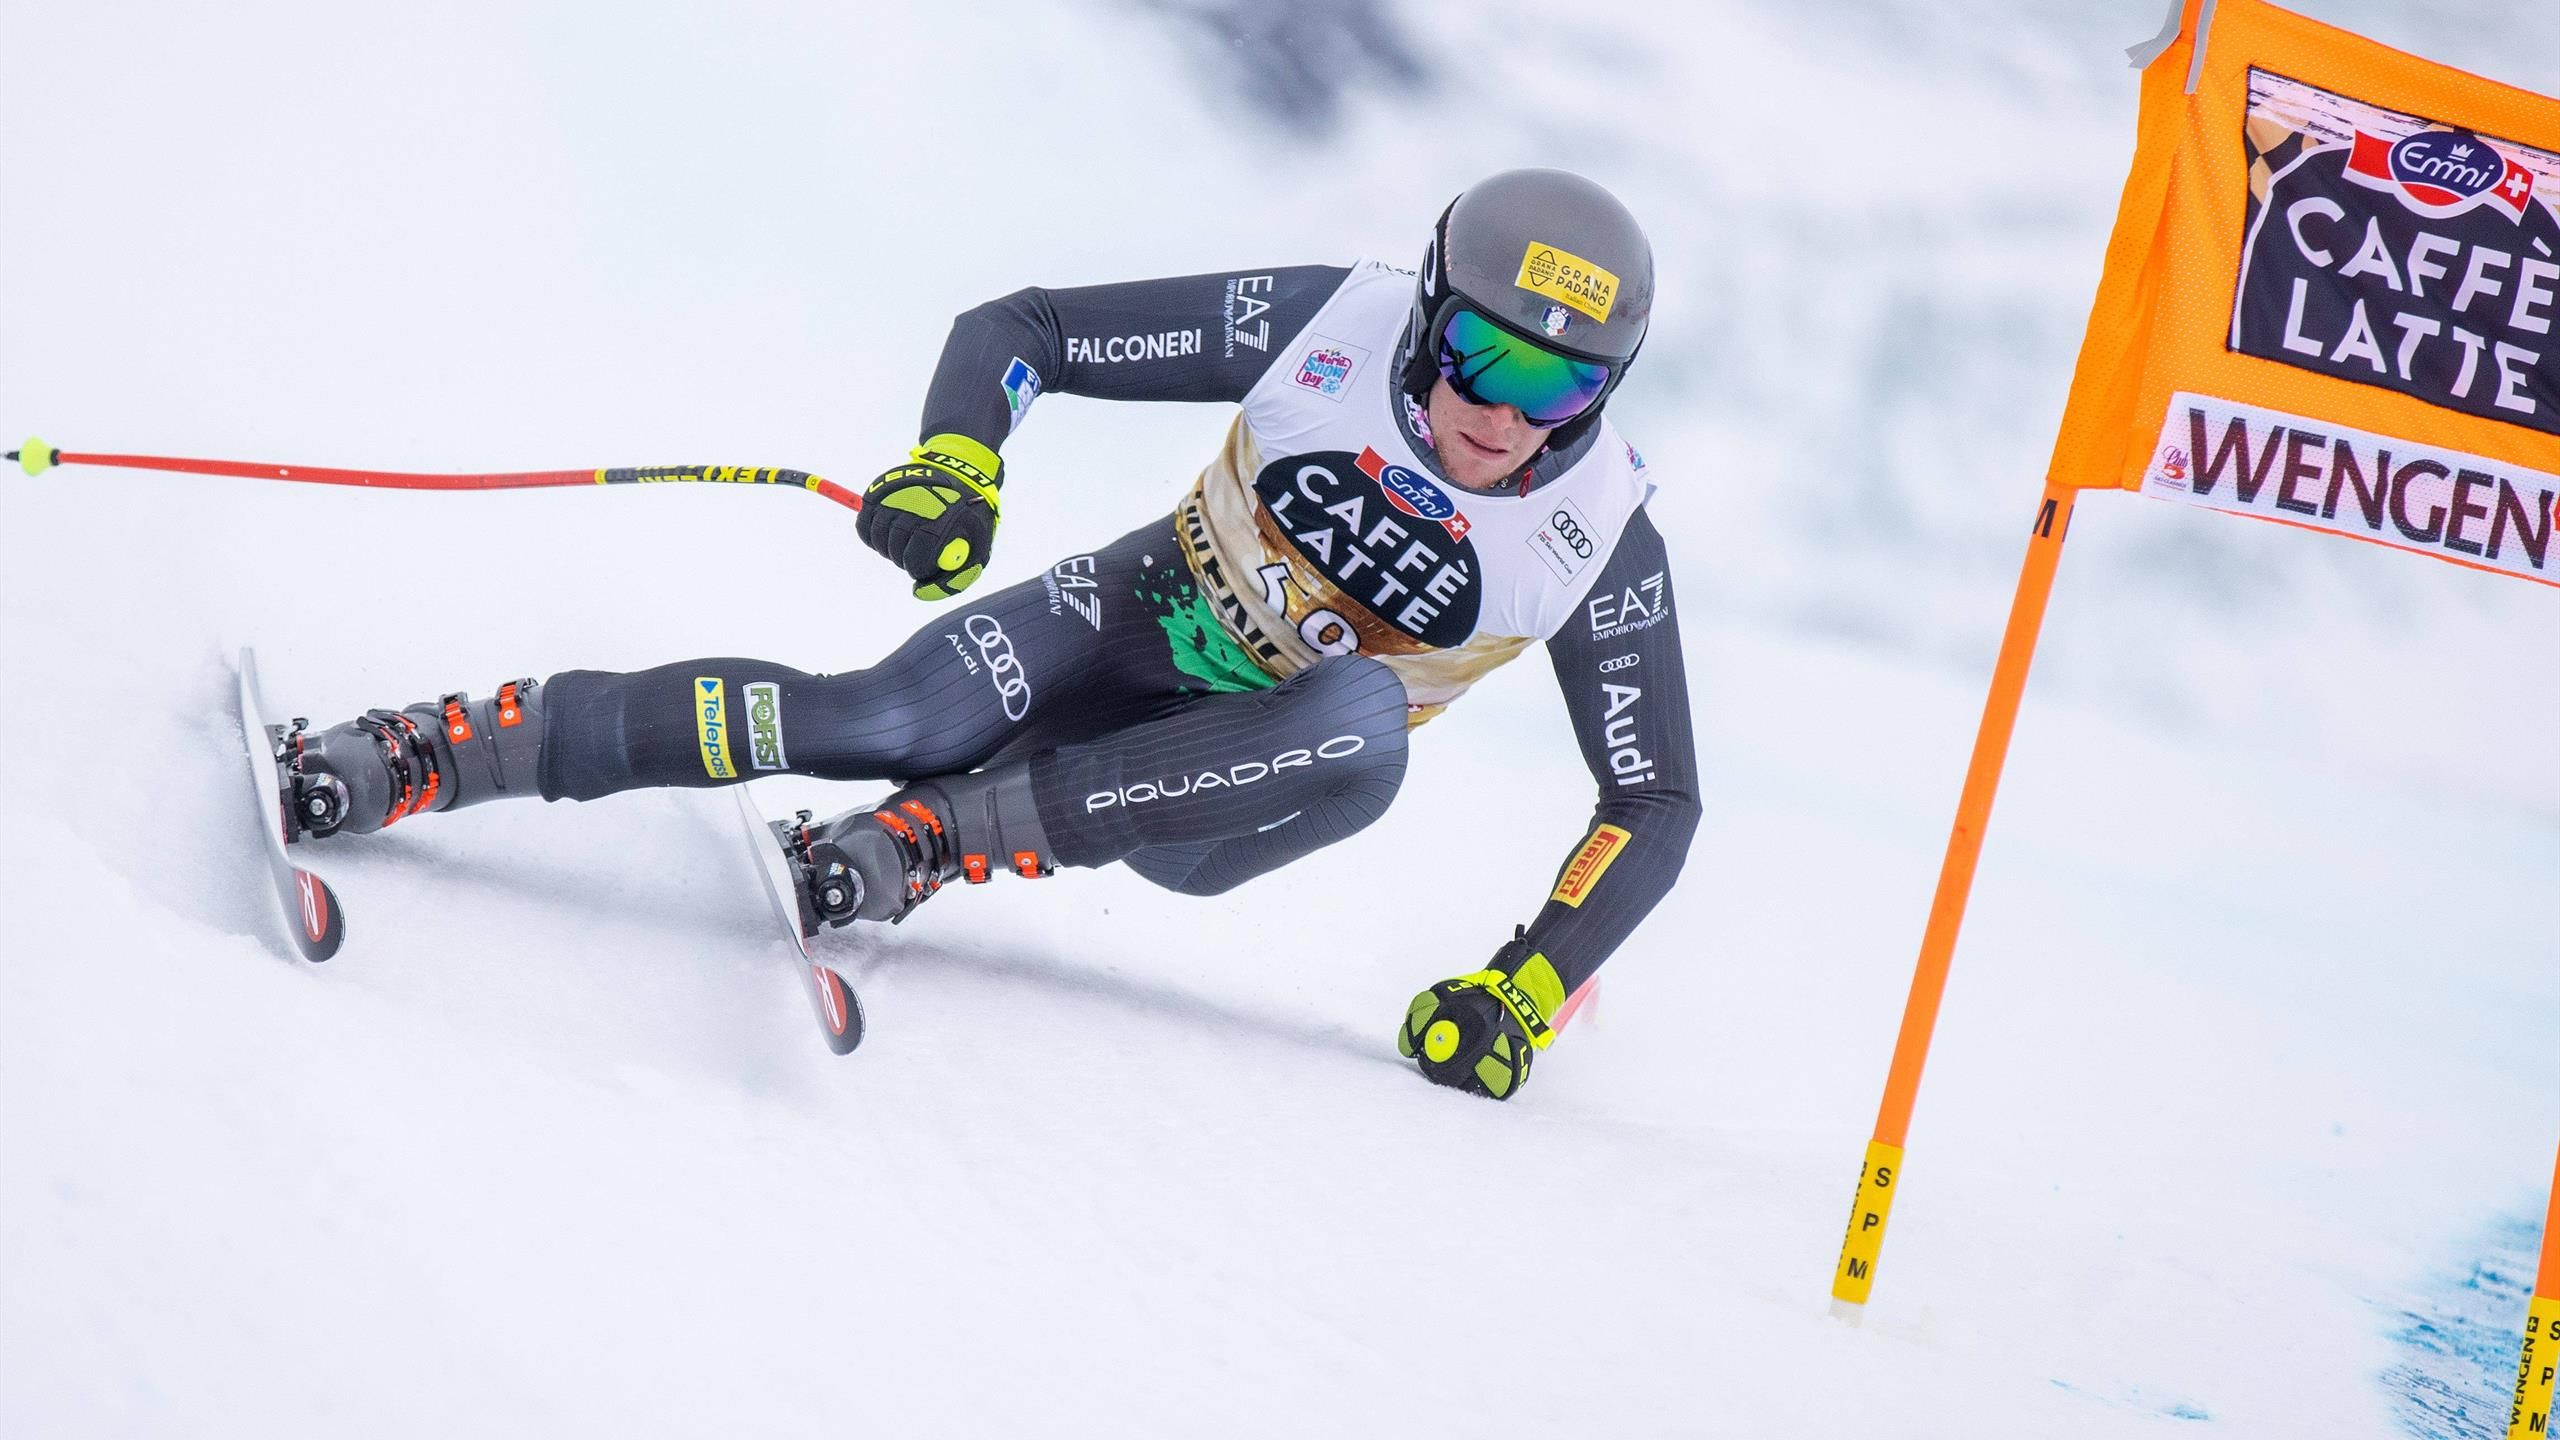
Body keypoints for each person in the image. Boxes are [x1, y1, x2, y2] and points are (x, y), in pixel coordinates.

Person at [273, 168, 1700, 1100]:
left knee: (1365, 721)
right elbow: (1030, 327)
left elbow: (1654, 795)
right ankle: (426, 751)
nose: (1504, 418)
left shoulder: (1599, 538)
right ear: (1431, 311)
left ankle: (938, 840)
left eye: (1561, 392)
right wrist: (961, 458)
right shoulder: (1328, 323)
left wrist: (1531, 983)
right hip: (1131, 614)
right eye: (1483, 356)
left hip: (1239, 786)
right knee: (873, 723)